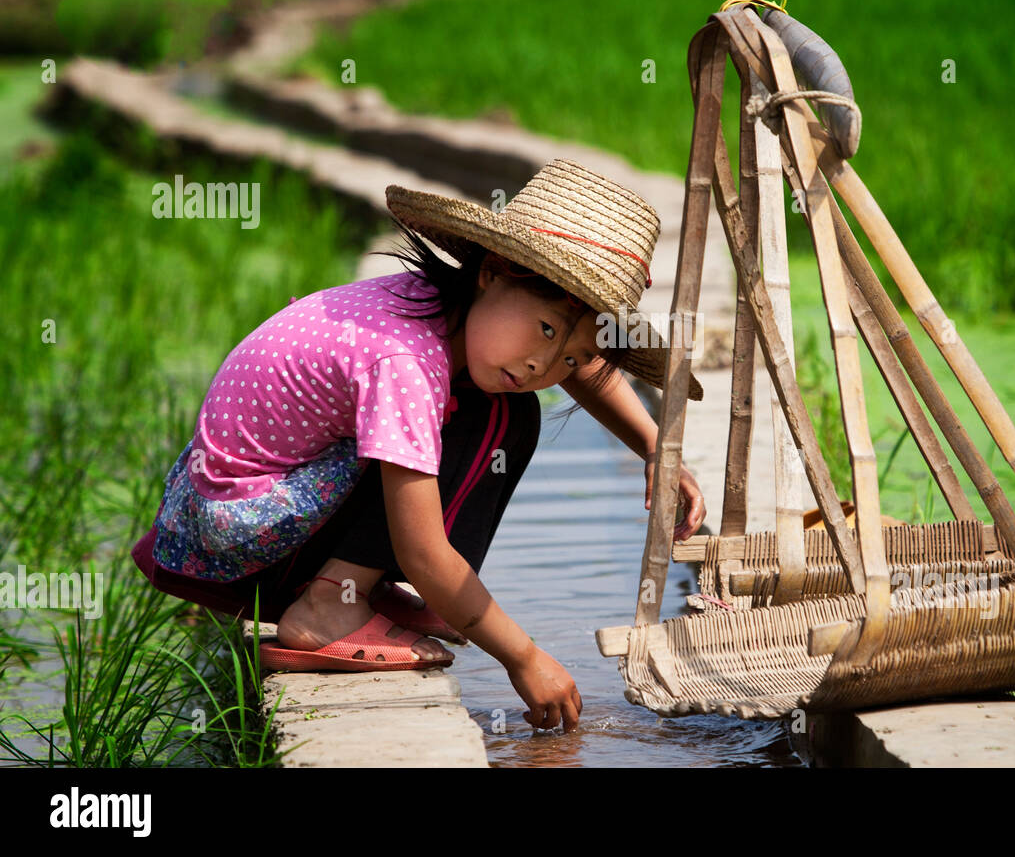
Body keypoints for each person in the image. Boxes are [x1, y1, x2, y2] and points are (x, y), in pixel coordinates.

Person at [131, 158, 707, 734]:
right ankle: (329, 606)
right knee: (497, 416)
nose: (543, 365)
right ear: (494, 271)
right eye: (548, 331)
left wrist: (655, 445)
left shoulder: (436, 308)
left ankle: (361, 587)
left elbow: (584, 359)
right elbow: (425, 552)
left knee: (510, 404)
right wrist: (525, 658)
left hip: (225, 524)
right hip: (243, 545)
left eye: (571, 356)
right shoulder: (404, 362)